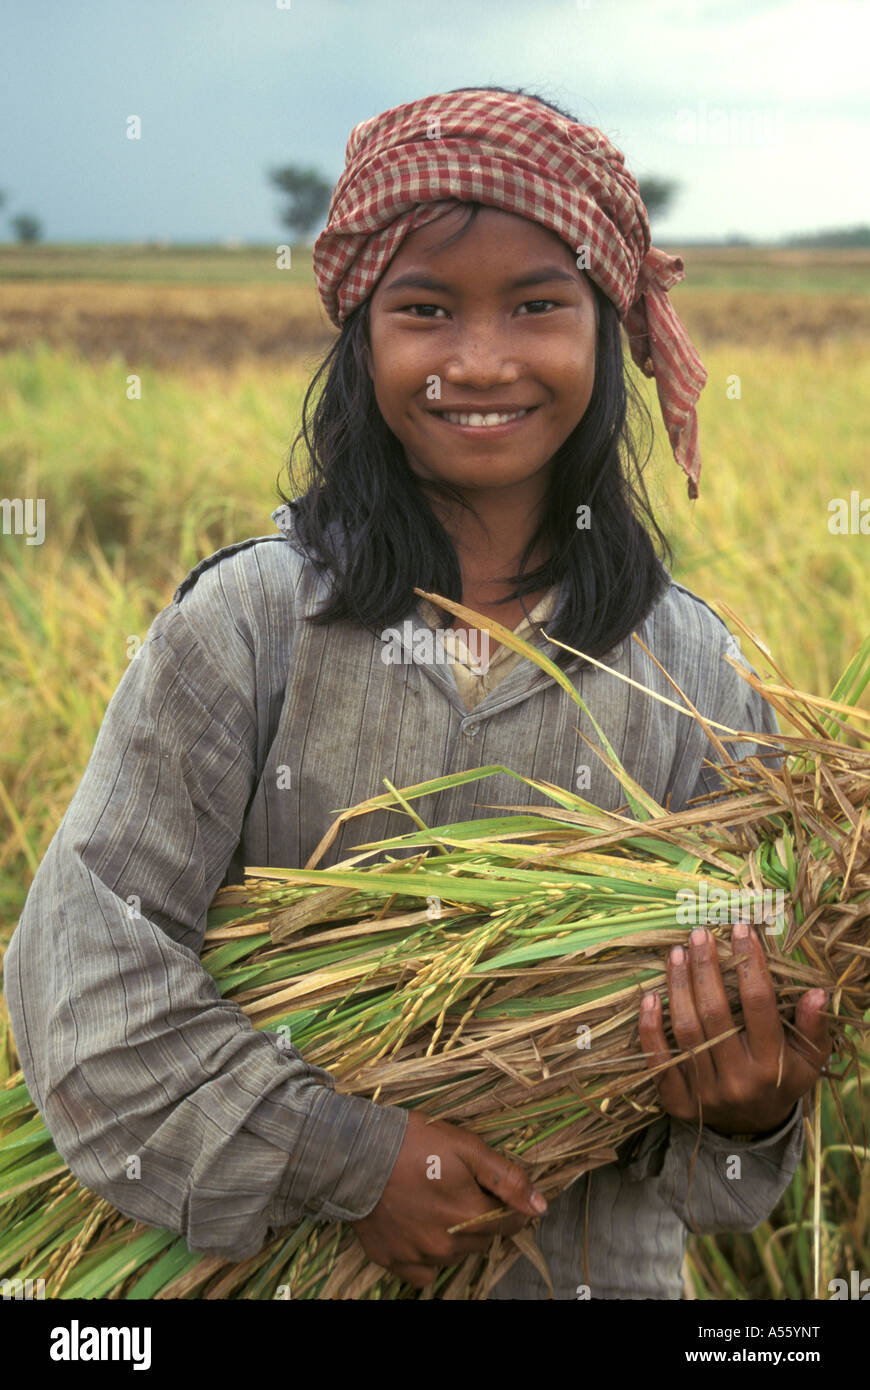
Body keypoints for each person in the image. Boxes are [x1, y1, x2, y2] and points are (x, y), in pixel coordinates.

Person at [4, 86, 830, 1300]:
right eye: (426, 310)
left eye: (539, 305)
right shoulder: (249, 628)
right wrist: (349, 1157)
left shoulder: (695, 677)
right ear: (362, 339)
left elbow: (714, 1174)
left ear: (609, 329)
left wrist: (749, 1106)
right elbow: (83, 967)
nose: (482, 359)